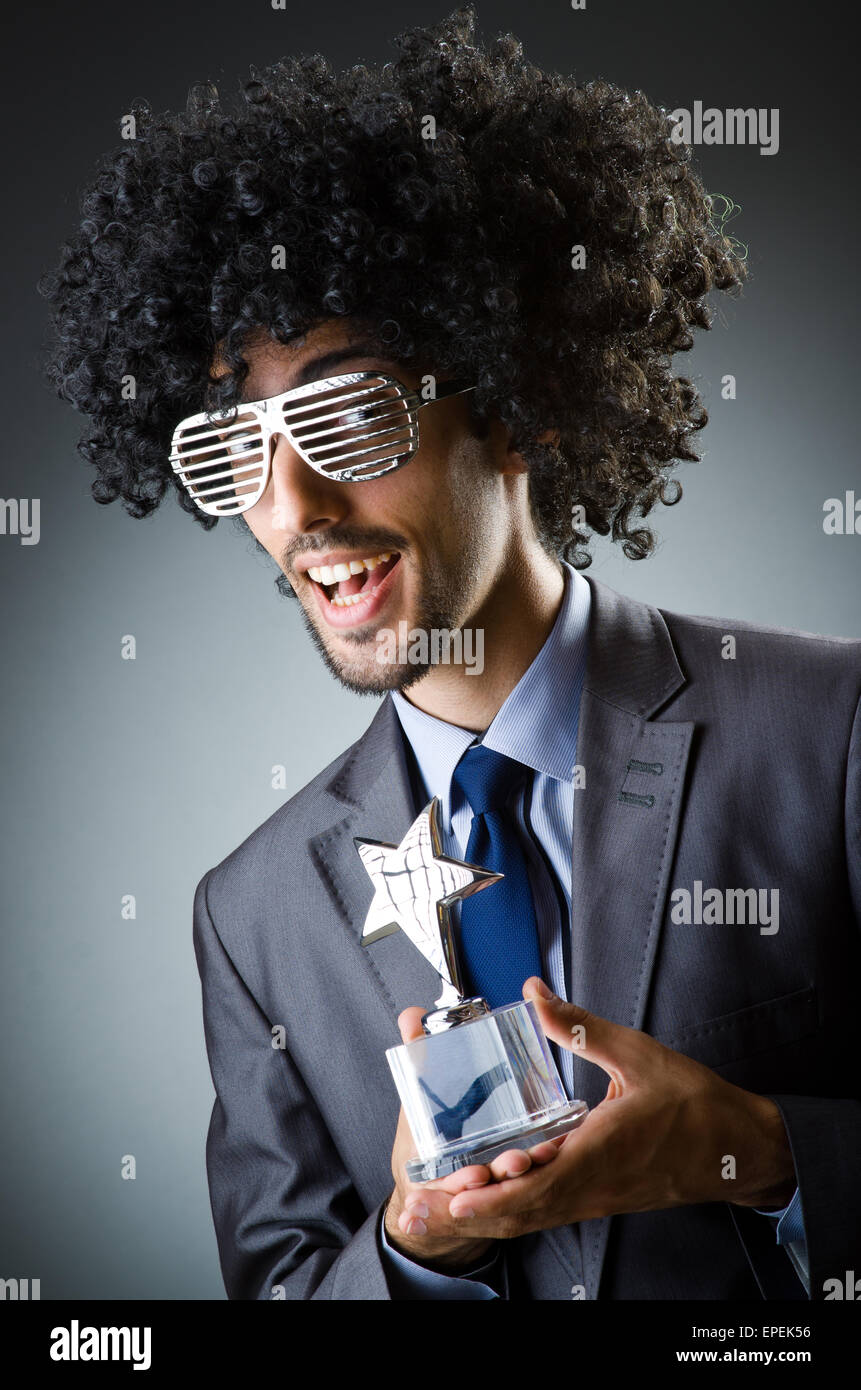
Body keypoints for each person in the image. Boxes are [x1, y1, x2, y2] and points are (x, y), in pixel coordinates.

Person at [40, 7, 860, 1300]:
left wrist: (756, 1152)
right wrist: (417, 1247)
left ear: (519, 400)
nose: (295, 507)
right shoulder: (252, 914)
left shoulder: (830, 731)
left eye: (349, 413)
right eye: (237, 445)